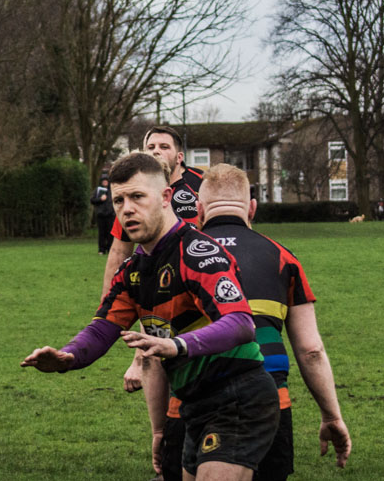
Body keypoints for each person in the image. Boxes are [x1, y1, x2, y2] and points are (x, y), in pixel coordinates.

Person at [23, 152, 279, 481]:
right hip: (194, 403)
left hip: (238, 396)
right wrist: (67, 357)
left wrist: (177, 346)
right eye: (119, 200)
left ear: (165, 197)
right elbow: (102, 329)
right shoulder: (132, 272)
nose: (126, 209)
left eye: (137, 197)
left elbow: (241, 324)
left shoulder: (198, 253)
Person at [148, 163, 350, 480]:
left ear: (199, 210)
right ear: (252, 208)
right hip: (267, 404)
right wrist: (331, 416)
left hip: (189, 404)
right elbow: (311, 350)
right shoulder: (283, 258)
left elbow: (152, 356)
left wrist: (160, 429)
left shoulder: (172, 260)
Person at [102, 125, 203, 297]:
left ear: (179, 157)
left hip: (192, 288)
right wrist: (106, 303)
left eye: (164, 147)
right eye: (151, 147)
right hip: (149, 289)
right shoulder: (129, 198)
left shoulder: (199, 185)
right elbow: (119, 251)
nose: (156, 151)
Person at [91, 175, 115, 254]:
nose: (105, 182)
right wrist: (100, 199)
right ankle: (101, 249)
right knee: (101, 233)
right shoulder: (97, 190)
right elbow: (92, 200)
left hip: (110, 215)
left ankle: (110, 249)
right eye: (103, 181)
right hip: (100, 215)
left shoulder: (112, 190)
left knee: (110, 233)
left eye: (106, 181)